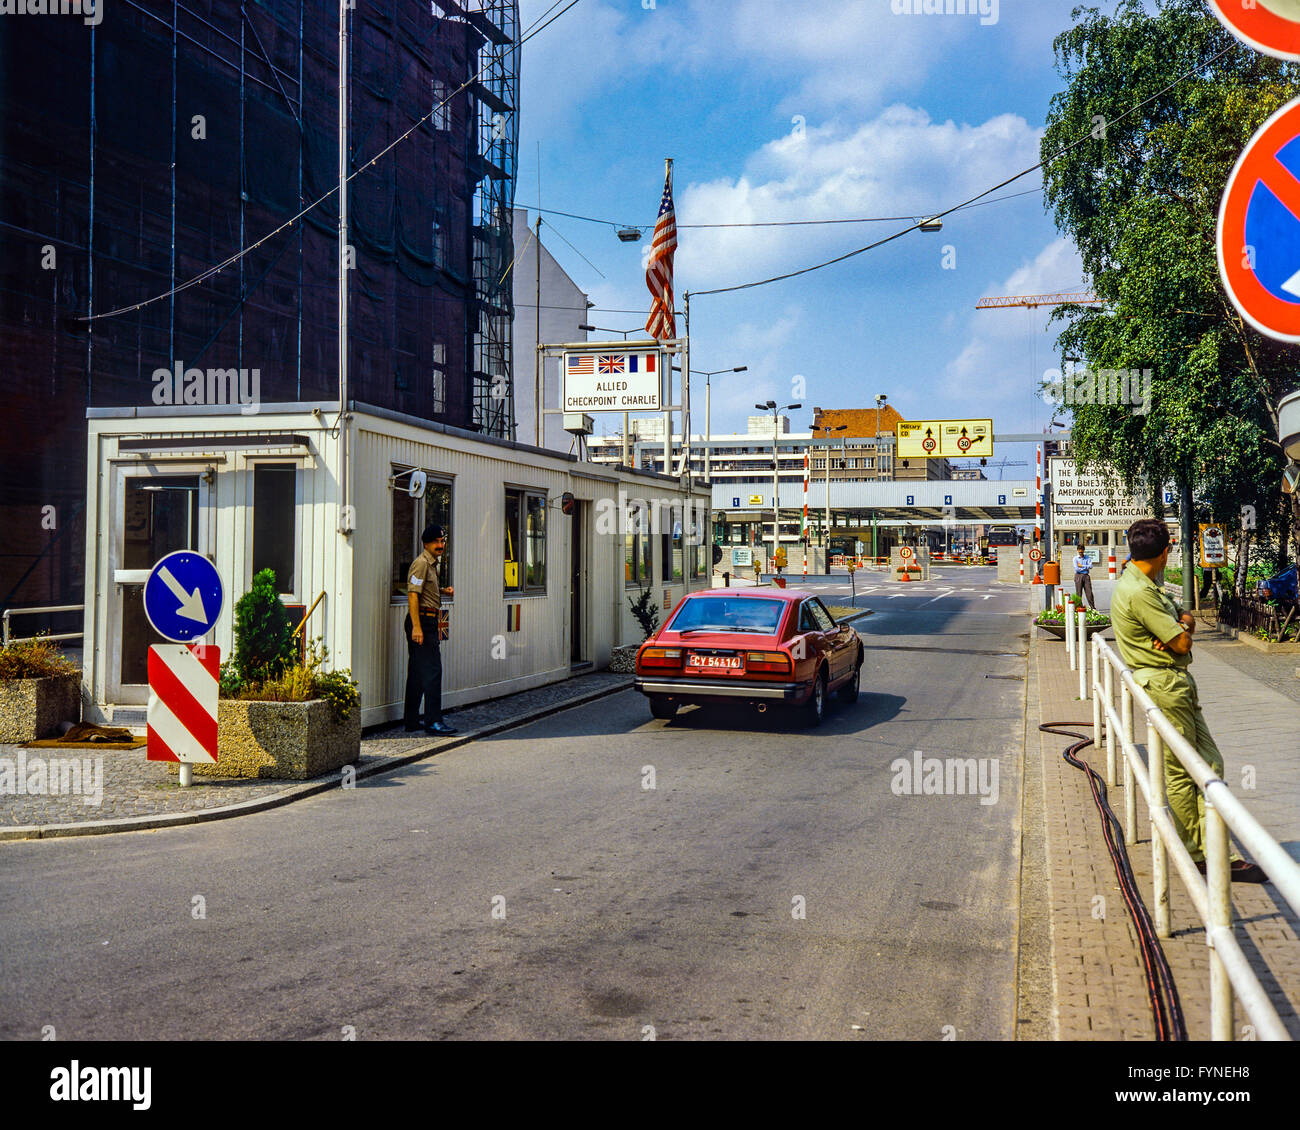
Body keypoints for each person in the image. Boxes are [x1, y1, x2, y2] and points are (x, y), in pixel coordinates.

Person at [1110, 518, 1265, 882]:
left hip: (1174, 683)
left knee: (1209, 764)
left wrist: (1182, 625)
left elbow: (1185, 623)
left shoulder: (1141, 582)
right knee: (1182, 772)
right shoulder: (1140, 592)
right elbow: (1182, 641)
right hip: (1164, 684)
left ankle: (1212, 849)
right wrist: (1180, 630)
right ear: (1165, 553)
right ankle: (1203, 856)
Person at [405, 524, 457, 735]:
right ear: (426, 543)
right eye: (436, 541)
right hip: (422, 622)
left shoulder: (431, 565)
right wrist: (417, 627)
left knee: (417, 673)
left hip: (426, 620)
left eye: (442, 541)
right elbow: (412, 594)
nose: (440, 545)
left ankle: (411, 721)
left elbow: (424, 591)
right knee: (433, 671)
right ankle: (433, 721)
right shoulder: (421, 564)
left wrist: (442, 591)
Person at [1072, 541, 1096, 610]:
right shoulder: (1075, 559)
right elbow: (1077, 569)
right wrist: (1086, 567)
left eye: (1081, 550)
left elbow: (1091, 566)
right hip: (1078, 576)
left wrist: (1082, 566)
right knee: (1079, 593)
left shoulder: (1087, 557)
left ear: (1084, 550)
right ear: (1077, 550)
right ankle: (1079, 608)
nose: (1080, 552)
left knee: (1089, 593)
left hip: (1086, 576)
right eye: (1079, 551)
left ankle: (1093, 608)